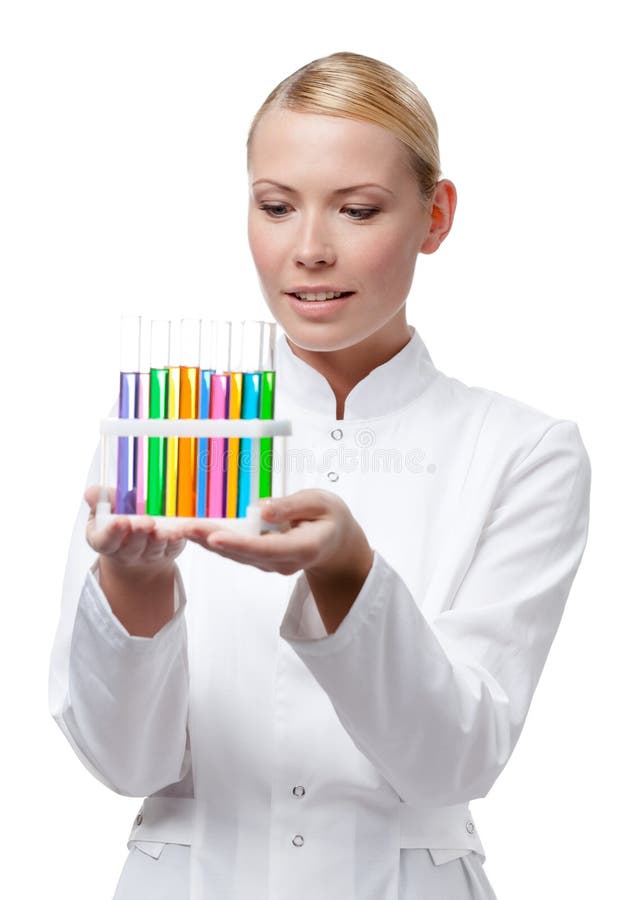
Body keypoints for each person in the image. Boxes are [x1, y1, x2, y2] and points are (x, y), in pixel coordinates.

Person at [49, 51, 591, 900]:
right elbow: (124, 765)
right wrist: (133, 589)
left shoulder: (523, 452)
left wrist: (349, 576)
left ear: (435, 216)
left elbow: (456, 759)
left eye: (359, 210)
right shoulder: (163, 431)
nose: (308, 249)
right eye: (275, 207)